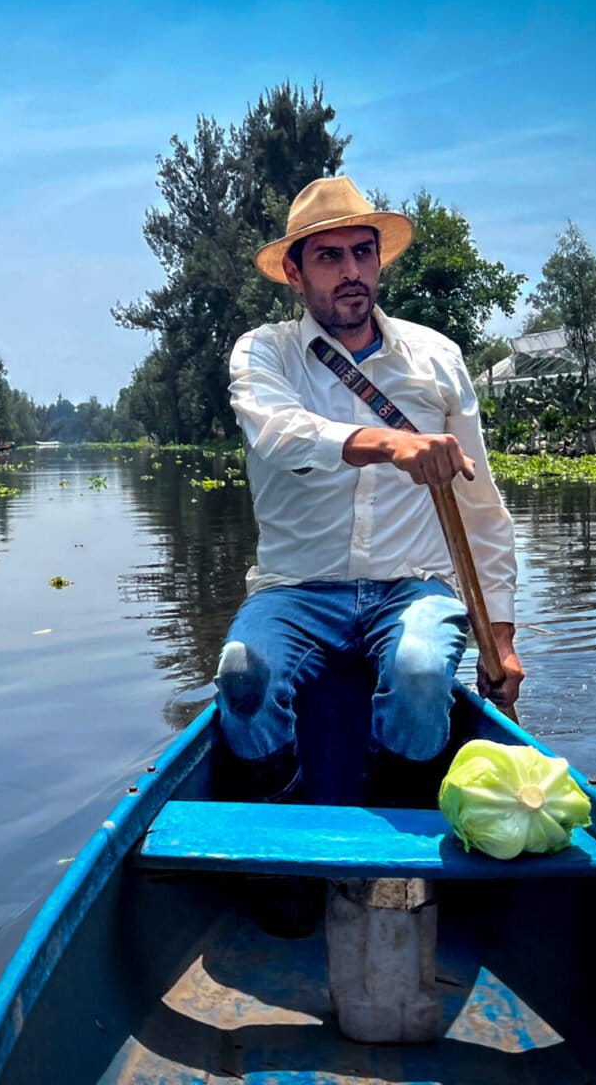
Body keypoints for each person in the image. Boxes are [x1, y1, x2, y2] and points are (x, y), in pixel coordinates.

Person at [217, 175, 524, 808]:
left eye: (362, 252)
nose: (350, 270)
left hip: (412, 583)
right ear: (296, 276)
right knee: (242, 678)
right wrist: (390, 443)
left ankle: (394, 808)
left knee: (418, 673)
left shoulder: (435, 358)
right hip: (297, 588)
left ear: (378, 260)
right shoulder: (265, 354)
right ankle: (286, 809)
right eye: (329, 256)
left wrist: (502, 636)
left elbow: (481, 505)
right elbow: (280, 434)